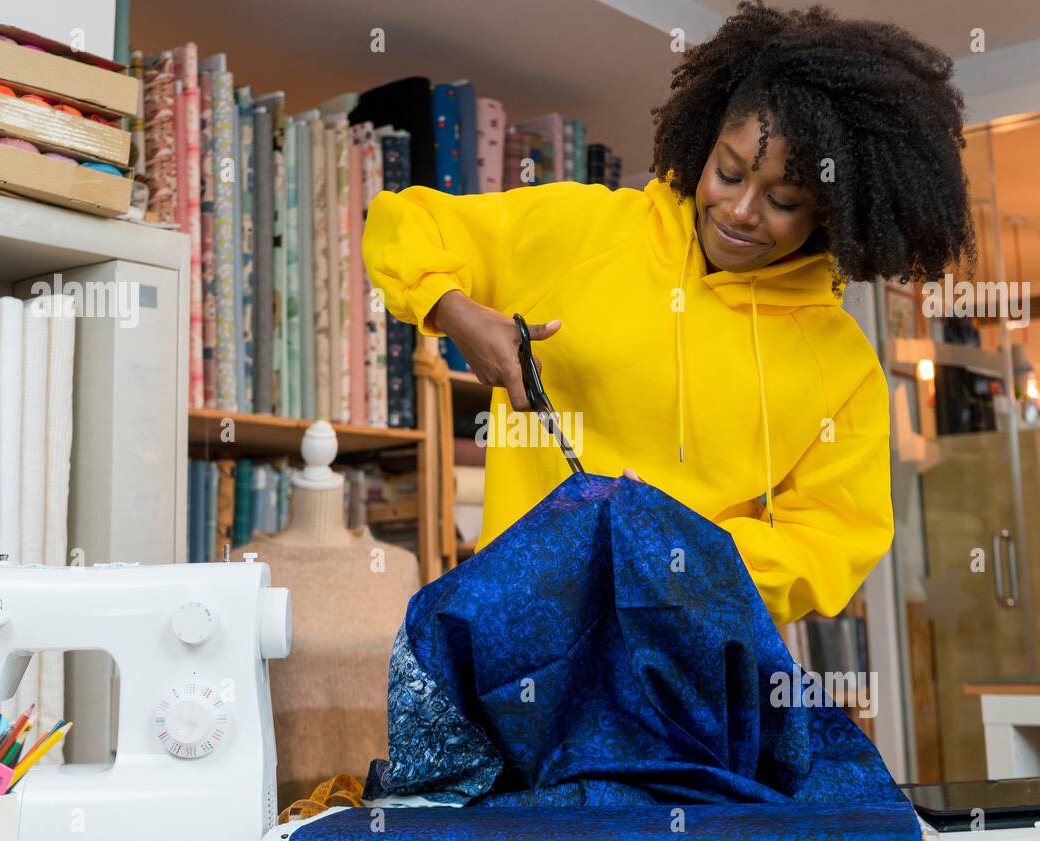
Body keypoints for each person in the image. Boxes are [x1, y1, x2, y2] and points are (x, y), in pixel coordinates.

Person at [363, 0, 975, 626]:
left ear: (834, 213)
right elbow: (408, 222)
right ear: (705, 142)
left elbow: (832, 542)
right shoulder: (588, 231)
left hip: (685, 672)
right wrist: (456, 310)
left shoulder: (841, 367)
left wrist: (680, 554)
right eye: (729, 172)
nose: (740, 211)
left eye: (784, 199)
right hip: (528, 648)